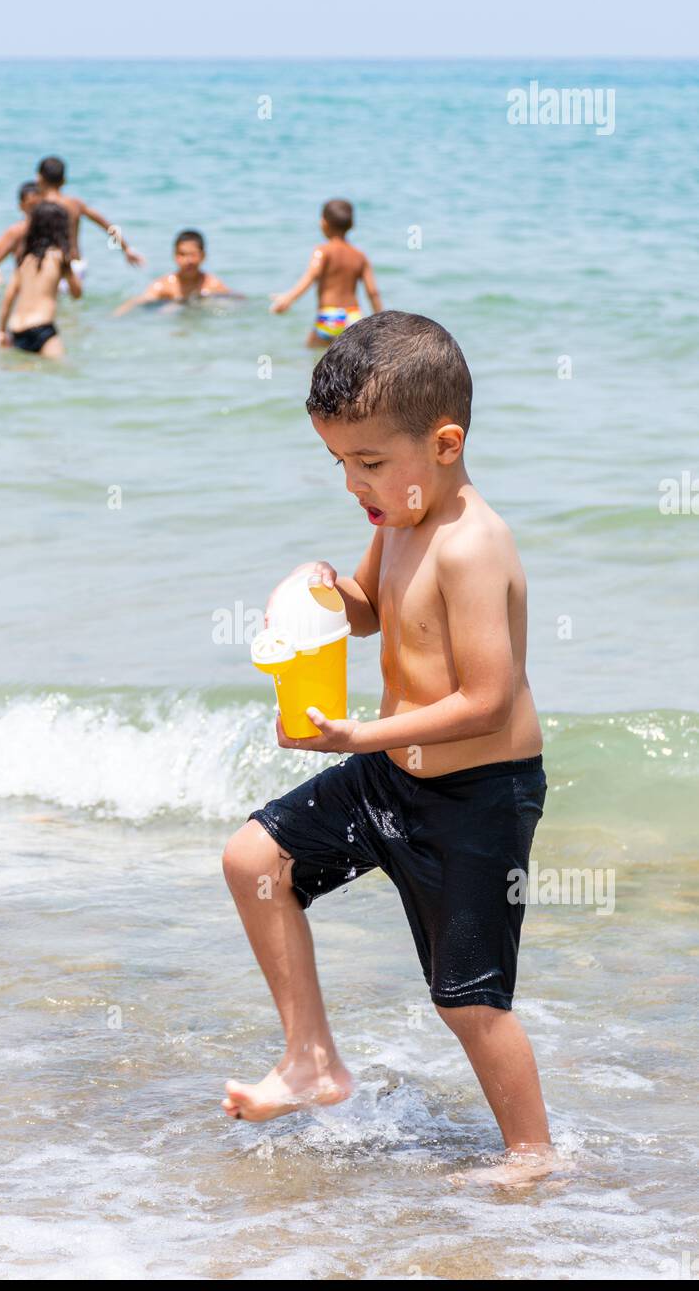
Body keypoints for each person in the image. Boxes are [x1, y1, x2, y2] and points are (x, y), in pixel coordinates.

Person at [222, 311, 563, 1187]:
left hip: (478, 796)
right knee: (254, 858)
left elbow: (486, 703)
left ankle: (533, 1156)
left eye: (369, 462)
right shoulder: (399, 516)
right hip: (389, 778)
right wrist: (323, 596)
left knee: (469, 1001)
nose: (352, 484)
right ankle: (311, 1061)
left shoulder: (473, 544)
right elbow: (372, 611)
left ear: (445, 443)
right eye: (339, 463)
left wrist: (354, 735)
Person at [270, 198, 382, 346]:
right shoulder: (360, 256)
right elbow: (372, 292)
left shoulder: (322, 251)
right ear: (351, 225)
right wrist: (381, 323)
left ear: (323, 223)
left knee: (313, 356)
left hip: (330, 317)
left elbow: (311, 275)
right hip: (353, 317)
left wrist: (288, 298)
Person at [35, 155, 144, 286]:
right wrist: (126, 249)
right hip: (76, 266)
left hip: (50, 267)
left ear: (39, 178)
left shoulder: (38, 208)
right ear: (63, 181)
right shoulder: (75, 204)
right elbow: (108, 226)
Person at [0, 201, 81, 358]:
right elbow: (76, 293)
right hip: (42, 327)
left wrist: (1, 331)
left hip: (16, 329)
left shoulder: (24, 259)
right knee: (61, 371)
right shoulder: (60, 257)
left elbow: (8, 297)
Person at [112, 229, 236, 316]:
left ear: (203, 256)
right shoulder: (164, 285)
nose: (188, 260)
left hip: (199, 317)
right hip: (172, 316)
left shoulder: (212, 284)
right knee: (168, 310)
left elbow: (236, 300)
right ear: (175, 256)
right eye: (182, 254)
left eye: (193, 254)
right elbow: (138, 301)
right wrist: (115, 317)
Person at [0, 181, 42, 287]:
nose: (35, 211)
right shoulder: (18, 230)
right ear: (21, 206)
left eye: (39, 206)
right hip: (23, 284)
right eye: (31, 206)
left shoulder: (50, 229)